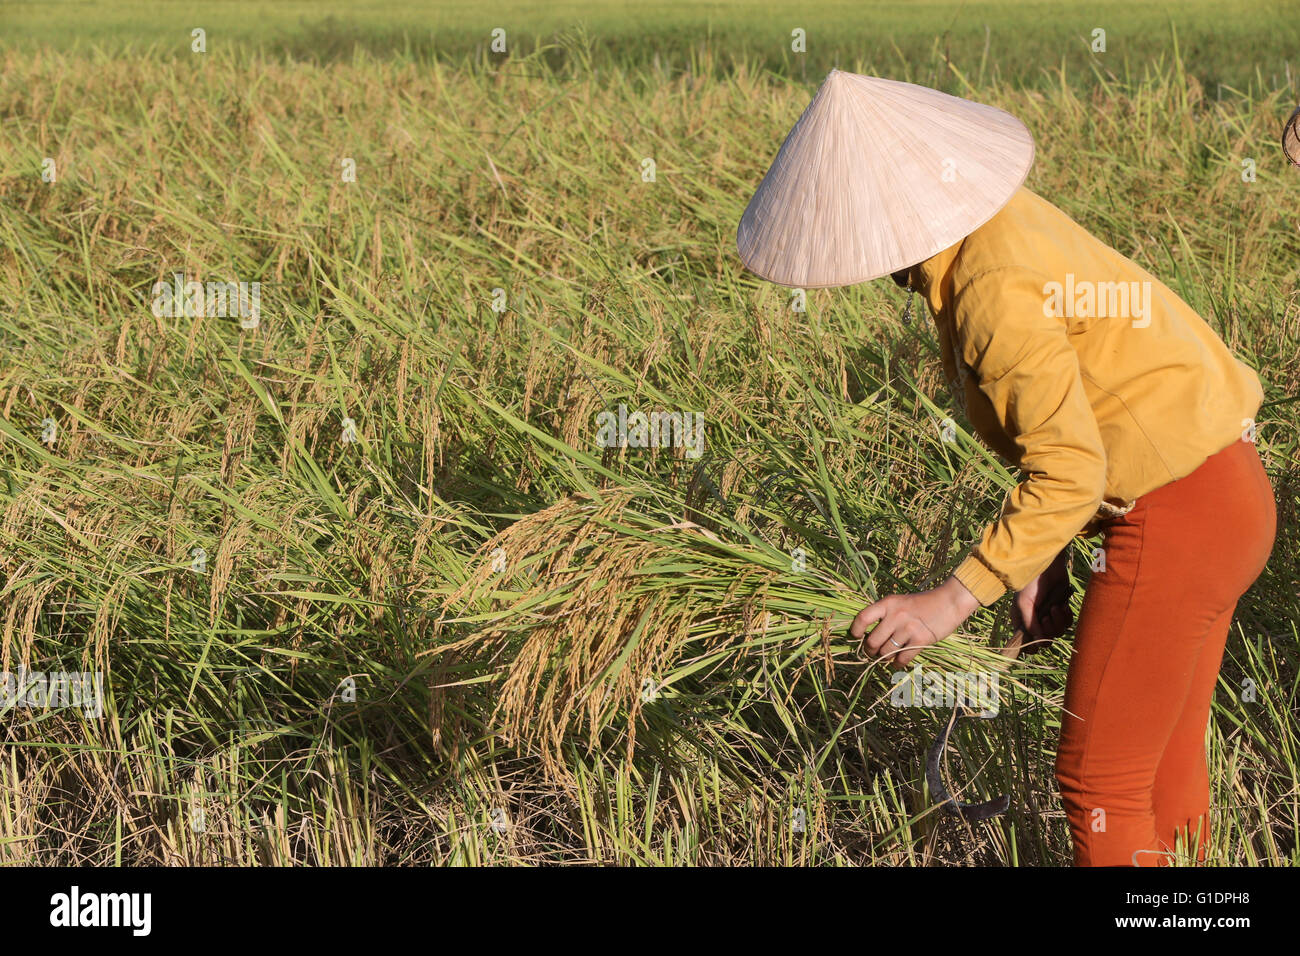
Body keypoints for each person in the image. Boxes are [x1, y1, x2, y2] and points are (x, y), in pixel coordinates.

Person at [737, 70, 1275, 867]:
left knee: (1098, 786)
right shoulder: (1003, 228)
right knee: (1158, 769)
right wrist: (1045, 557)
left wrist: (949, 603)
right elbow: (1099, 409)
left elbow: (1069, 468)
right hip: (1225, 496)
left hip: (1177, 519)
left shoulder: (989, 287)